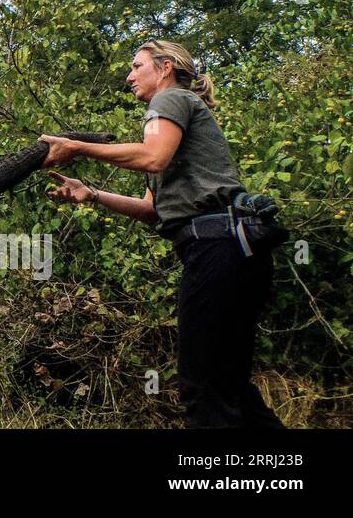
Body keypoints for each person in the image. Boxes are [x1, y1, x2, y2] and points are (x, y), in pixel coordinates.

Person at [39, 39, 283, 428]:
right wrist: (93, 193)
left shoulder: (170, 102)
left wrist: (76, 147)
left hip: (217, 248)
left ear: (165, 67)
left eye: (137, 66)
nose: (129, 74)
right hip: (235, 248)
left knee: (202, 387)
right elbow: (153, 210)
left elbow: (153, 155)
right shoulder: (176, 117)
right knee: (228, 387)